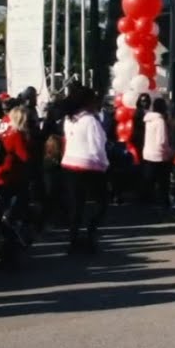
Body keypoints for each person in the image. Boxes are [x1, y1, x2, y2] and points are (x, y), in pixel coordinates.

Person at [60, 87, 109, 253]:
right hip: (89, 166)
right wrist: (104, 165)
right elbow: (97, 146)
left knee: (76, 205)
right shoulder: (91, 121)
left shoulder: (68, 119)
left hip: (69, 164)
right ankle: (90, 233)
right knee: (101, 202)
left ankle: (73, 240)